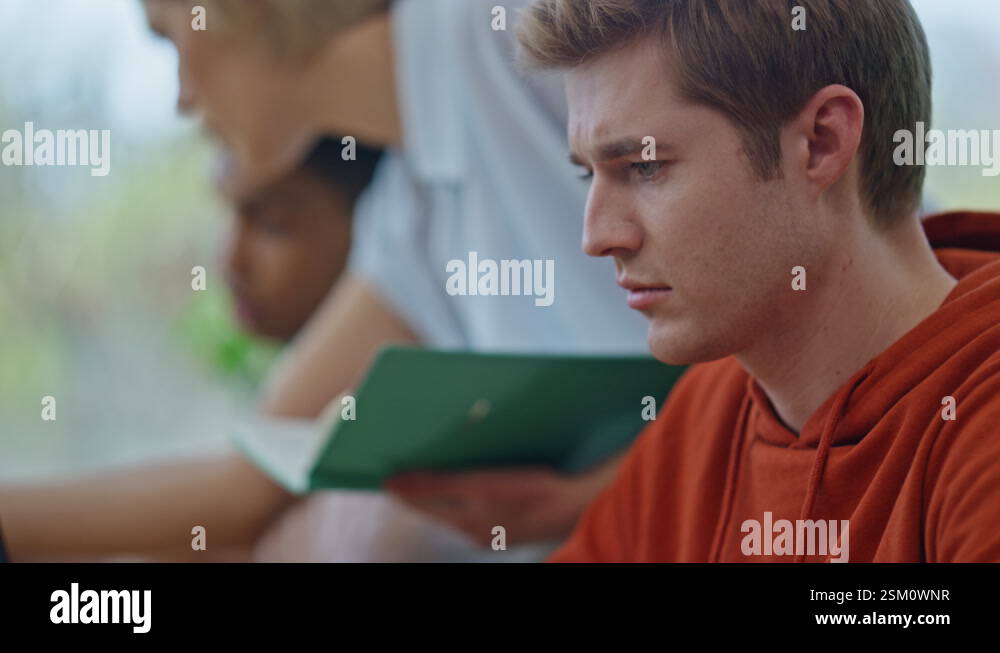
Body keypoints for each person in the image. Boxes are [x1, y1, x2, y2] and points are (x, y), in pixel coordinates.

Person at [0, 0, 648, 562]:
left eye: (170, 35)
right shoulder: (409, 213)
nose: (181, 99)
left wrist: (602, 490)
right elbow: (247, 484)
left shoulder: (496, 27)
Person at [517, 0, 1000, 562]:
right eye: (587, 173)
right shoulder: (709, 409)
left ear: (822, 142)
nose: (597, 237)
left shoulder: (981, 430)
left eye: (645, 166)